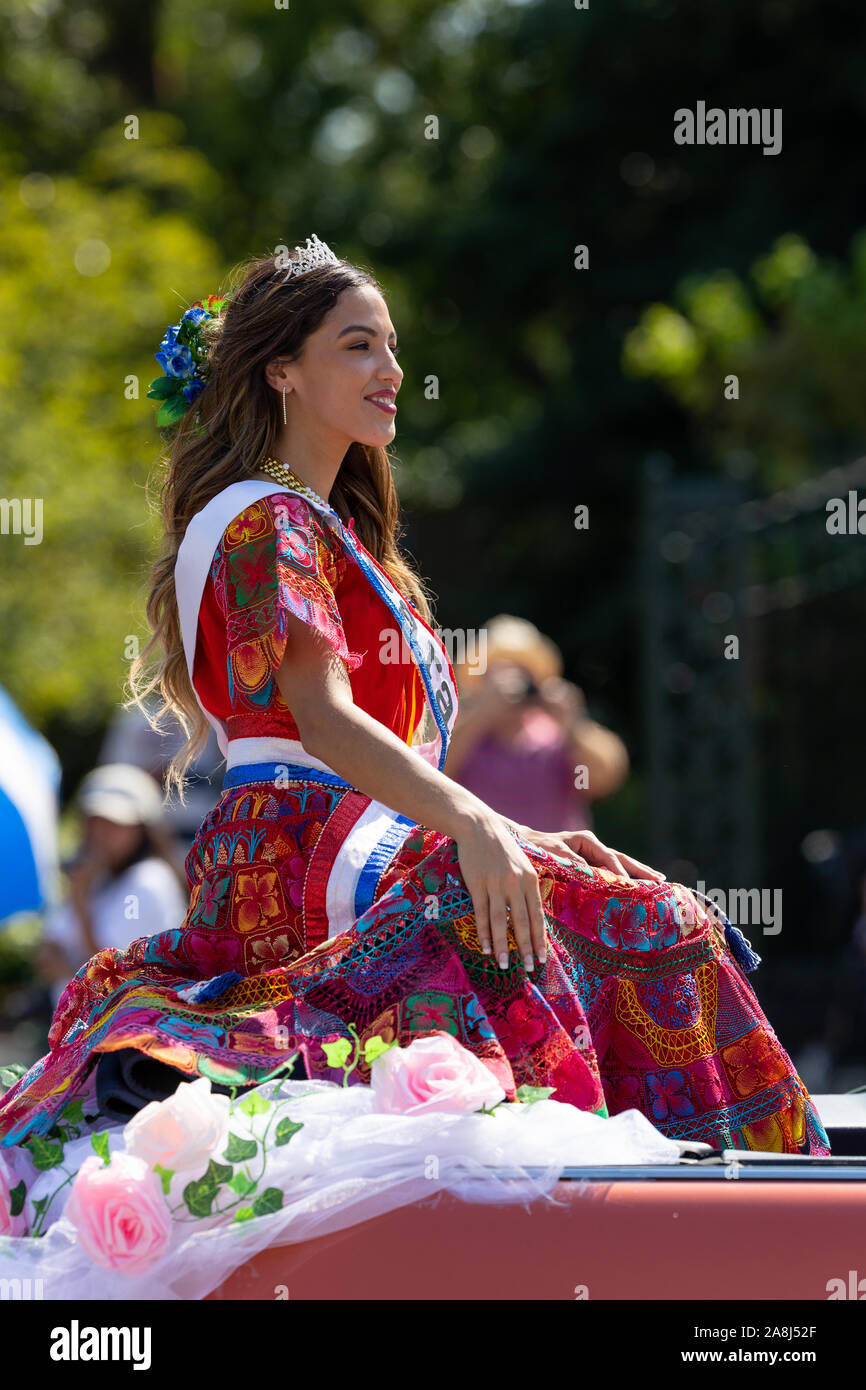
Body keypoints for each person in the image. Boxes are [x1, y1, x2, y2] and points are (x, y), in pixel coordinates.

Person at [0, 235, 829, 1154]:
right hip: (302, 866)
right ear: (282, 371)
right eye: (358, 345)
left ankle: (705, 1197)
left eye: (391, 345)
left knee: (633, 905)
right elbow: (321, 718)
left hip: (341, 842)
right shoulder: (261, 517)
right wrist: (483, 827)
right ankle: (713, 1213)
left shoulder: (321, 524)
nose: (391, 368)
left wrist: (516, 834)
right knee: (649, 923)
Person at [445, 615, 629, 834]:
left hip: (556, 864)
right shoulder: (464, 738)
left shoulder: (558, 737)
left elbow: (597, 784)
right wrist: (481, 715)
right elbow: (434, 778)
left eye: (520, 672)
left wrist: (573, 728)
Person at [36, 765, 190, 1011]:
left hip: (128, 1035)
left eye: (115, 824)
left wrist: (79, 902)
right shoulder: (95, 876)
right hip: (86, 1032)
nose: (101, 833)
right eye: (95, 822)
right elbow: (47, 954)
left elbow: (110, 976)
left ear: (142, 828)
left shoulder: (149, 881)